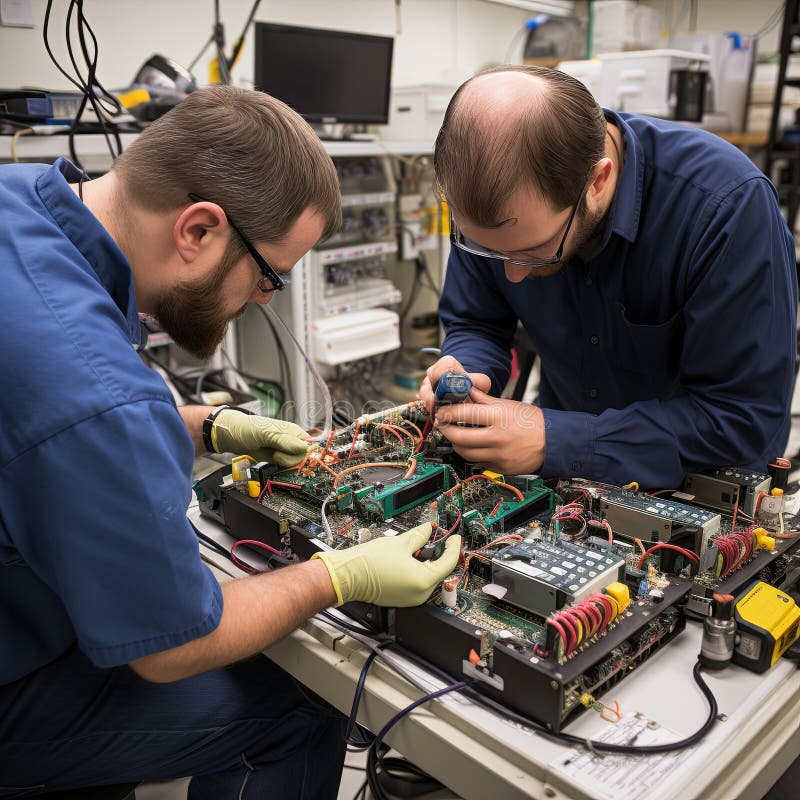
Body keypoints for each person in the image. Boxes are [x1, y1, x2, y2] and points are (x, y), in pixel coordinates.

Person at [0, 86, 460, 798]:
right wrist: (335, 575)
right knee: (306, 699)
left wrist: (204, 423)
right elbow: (174, 647)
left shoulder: (20, 194)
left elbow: (35, 421)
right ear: (198, 231)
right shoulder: (96, 393)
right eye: (270, 275)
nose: (267, 298)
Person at [421, 65, 798, 490]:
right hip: (566, 486)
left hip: (696, 496)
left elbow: (742, 421)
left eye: (532, 251)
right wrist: (466, 373)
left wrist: (555, 439)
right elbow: (477, 320)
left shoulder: (726, 207)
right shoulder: (499, 212)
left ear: (598, 181)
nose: (511, 273)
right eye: (488, 250)